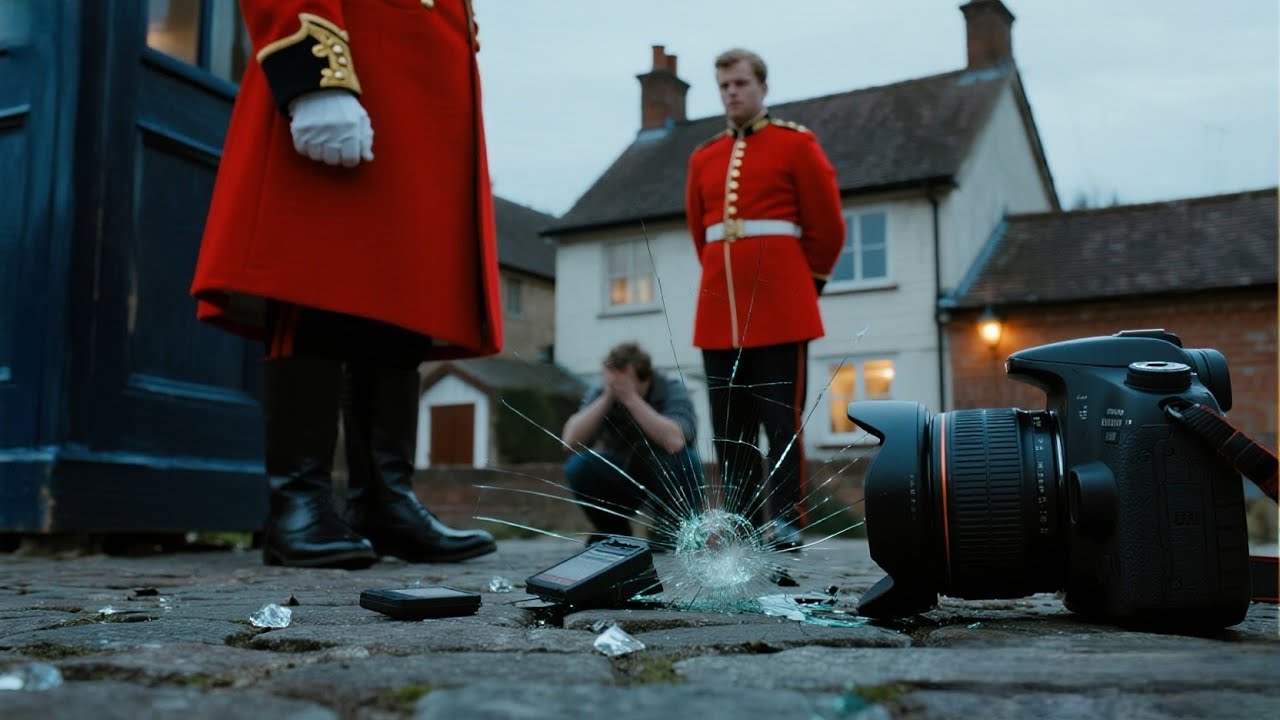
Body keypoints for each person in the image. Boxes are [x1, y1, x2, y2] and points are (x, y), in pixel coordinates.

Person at [190, 2, 499, 568]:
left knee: (404, 293)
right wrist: (314, 72)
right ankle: (297, 501)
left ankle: (385, 501)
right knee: (317, 273)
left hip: (423, 87)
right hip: (355, 58)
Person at [684, 48, 845, 549]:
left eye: (740, 83)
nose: (731, 92)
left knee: (780, 422)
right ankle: (741, 522)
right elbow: (700, 232)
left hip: (781, 307)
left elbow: (828, 227)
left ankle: (787, 519)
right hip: (718, 310)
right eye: (724, 85)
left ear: (762, 88)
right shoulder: (703, 156)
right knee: (728, 428)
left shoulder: (796, 144)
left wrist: (803, 285)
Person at [562, 343, 704, 547]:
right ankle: (612, 530)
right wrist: (607, 397)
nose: (617, 385)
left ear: (642, 376)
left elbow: (675, 442)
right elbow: (569, 442)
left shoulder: (670, 388)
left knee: (685, 459)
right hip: (623, 471)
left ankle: (675, 529)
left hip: (664, 470)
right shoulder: (603, 391)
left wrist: (631, 398)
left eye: (623, 379)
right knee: (579, 465)